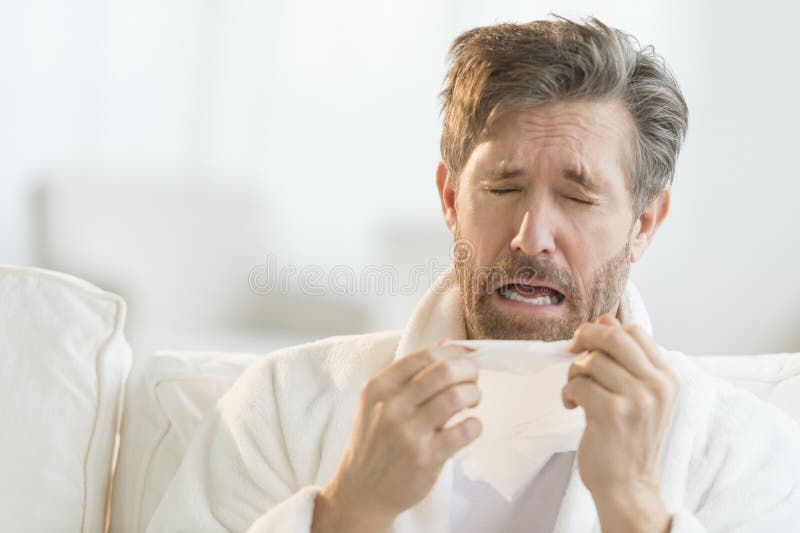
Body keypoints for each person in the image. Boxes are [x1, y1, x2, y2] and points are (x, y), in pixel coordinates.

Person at [147, 16, 800, 533]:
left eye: (577, 197)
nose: (530, 236)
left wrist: (633, 507)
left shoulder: (745, 449)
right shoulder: (285, 406)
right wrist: (351, 511)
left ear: (646, 223)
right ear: (451, 199)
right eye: (503, 186)